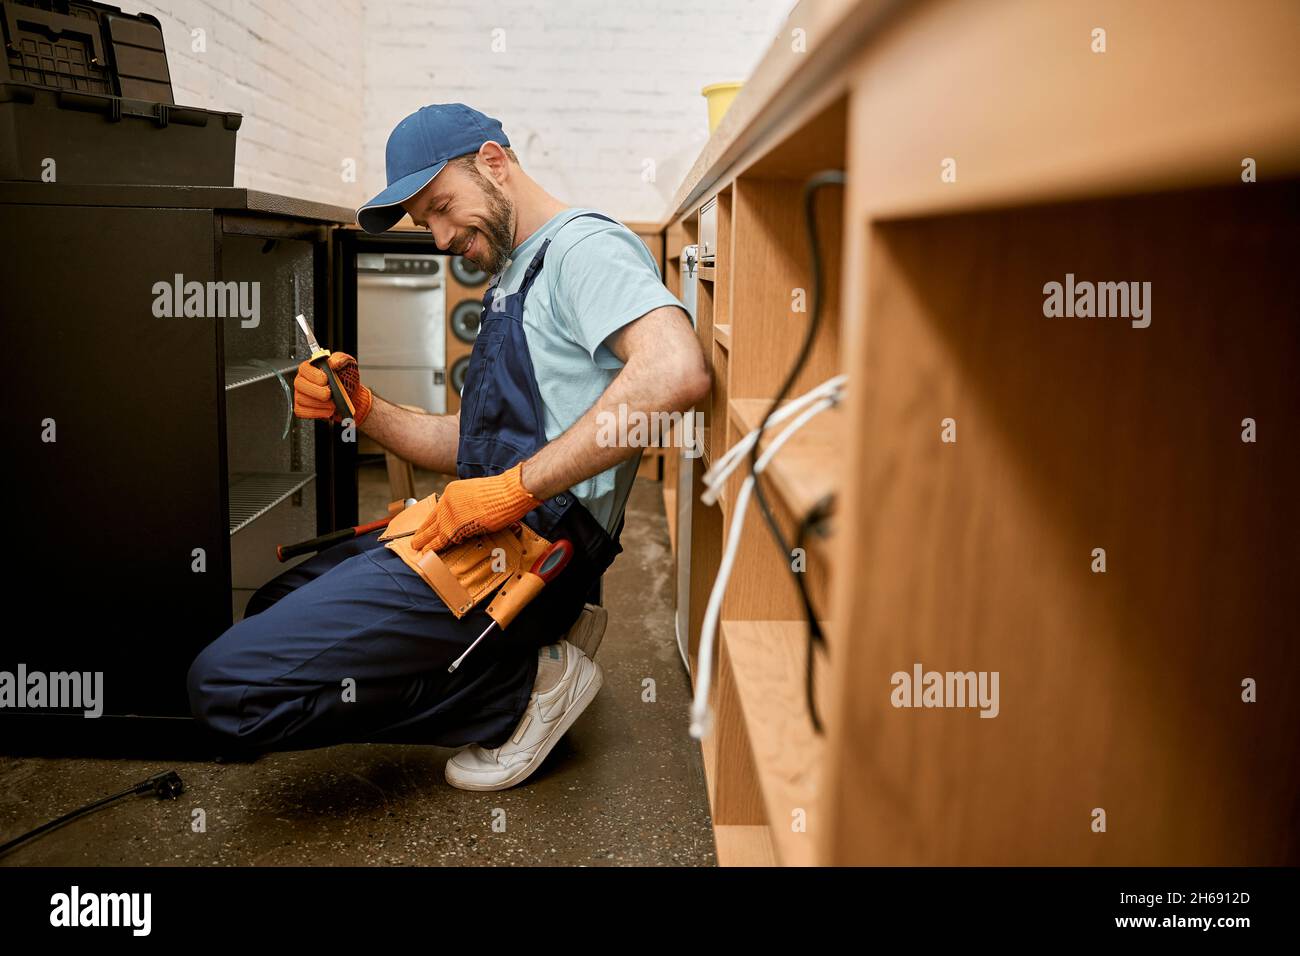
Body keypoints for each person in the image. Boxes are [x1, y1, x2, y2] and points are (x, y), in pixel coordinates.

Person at [186, 103, 709, 791]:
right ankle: (515, 660)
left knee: (226, 690)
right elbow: (472, 441)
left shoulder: (583, 249)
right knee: (271, 603)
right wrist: (364, 410)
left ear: (493, 162)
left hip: (526, 556)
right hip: (471, 525)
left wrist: (515, 489)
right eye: (423, 222)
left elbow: (676, 373)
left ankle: (517, 690)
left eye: (441, 207)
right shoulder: (515, 272)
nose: (437, 238)